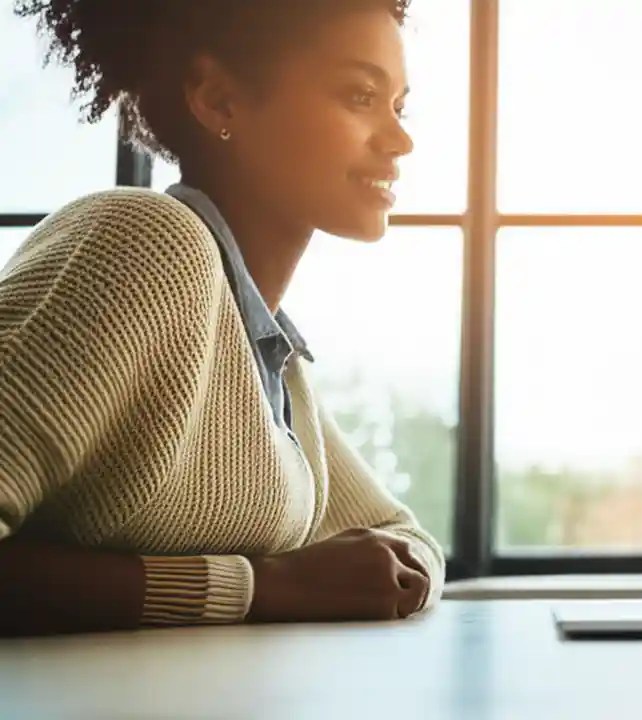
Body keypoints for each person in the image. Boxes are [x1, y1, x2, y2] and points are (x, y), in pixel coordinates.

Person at [0, 0, 445, 636]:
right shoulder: (145, 245)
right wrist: (265, 587)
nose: (400, 140)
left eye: (398, 106)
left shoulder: (263, 350)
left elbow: (403, 543)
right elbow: (306, 581)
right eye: (359, 96)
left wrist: (384, 574)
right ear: (219, 101)